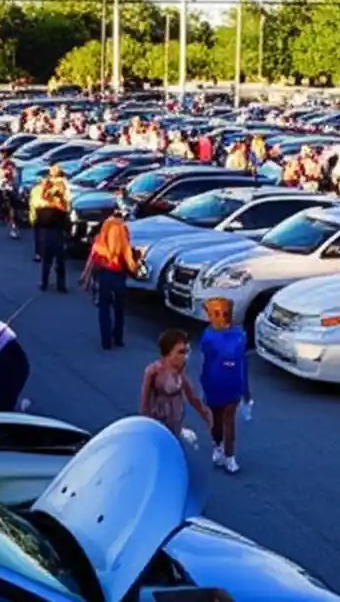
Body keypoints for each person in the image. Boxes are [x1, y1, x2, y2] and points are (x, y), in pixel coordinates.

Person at [199, 298, 250, 474]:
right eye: (216, 314)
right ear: (210, 316)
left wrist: (246, 391)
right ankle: (217, 444)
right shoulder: (208, 336)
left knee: (229, 420)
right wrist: (205, 384)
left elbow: (243, 362)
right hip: (214, 383)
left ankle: (230, 456)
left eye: (225, 313)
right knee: (216, 420)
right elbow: (206, 363)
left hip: (233, 384)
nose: (221, 318)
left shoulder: (240, 335)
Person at [140, 329, 213, 440]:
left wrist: (207, 416)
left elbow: (192, 396)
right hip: (159, 419)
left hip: (176, 417)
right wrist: (146, 426)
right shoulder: (153, 371)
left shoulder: (180, 370)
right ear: (169, 353)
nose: (185, 357)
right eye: (180, 352)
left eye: (186, 352)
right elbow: (145, 402)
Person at [81, 214, 139, 349]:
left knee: (104, 308)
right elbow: (129, 260)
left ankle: (105, 340)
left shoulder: (100, 241)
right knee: (119, 308)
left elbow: (92, 260)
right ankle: (118, 337)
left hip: (104, 275)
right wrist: (135, 270)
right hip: (119, 275)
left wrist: (86, 279)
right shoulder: (123, 238)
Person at [35, 165, 71, 292]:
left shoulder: (43, 209)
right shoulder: (61, 211)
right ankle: (61, 286)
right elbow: (67, 224)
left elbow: (37, 223)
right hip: (58, 235)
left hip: (46, 235)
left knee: (47, 261)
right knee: (60, 262)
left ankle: (44, 283)